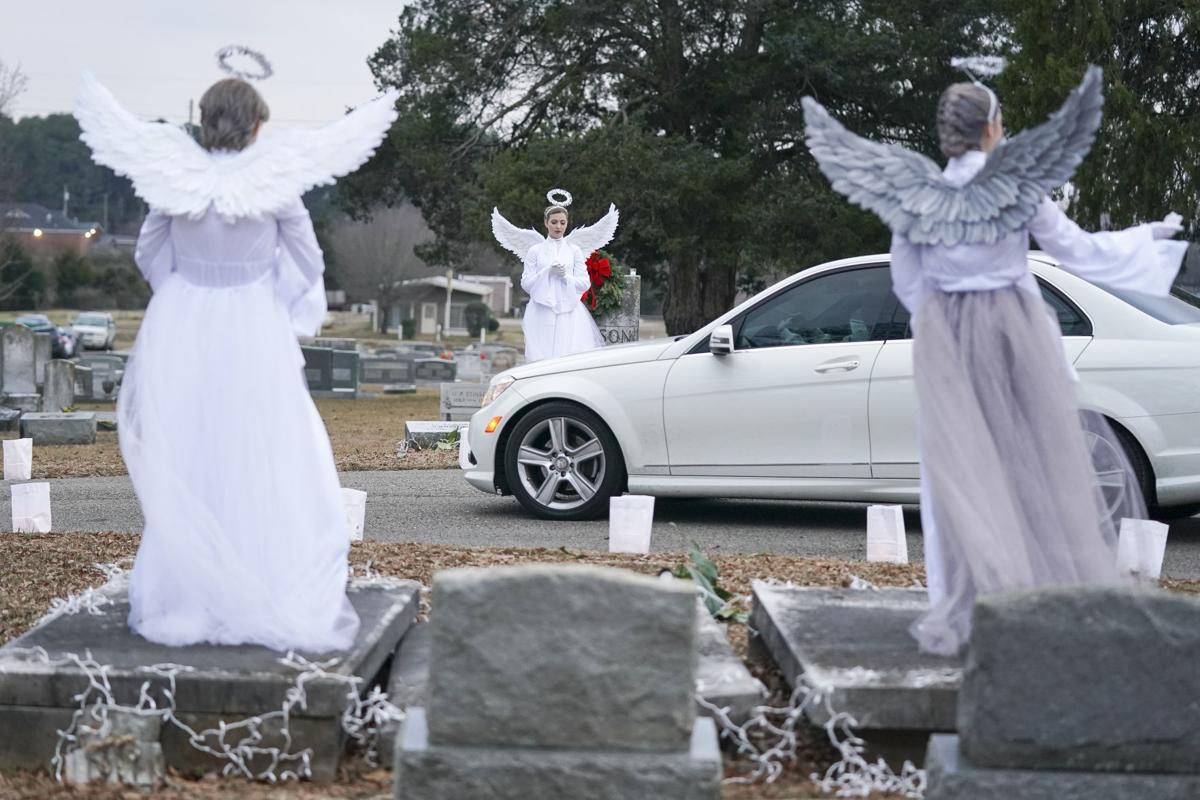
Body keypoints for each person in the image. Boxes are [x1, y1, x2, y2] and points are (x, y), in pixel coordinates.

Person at [803, 66, 1187, 655]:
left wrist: (945, 313)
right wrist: (1147, 245)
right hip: (1016, 331)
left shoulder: (918, 197)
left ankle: (966, 600)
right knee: (1034, 460)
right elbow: (1079, 251)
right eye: (1001, 122)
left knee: (955, 471)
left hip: (948, 340)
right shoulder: (1015, 186)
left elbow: (906, 277)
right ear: (989, 130)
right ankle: (1041, 594)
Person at [74, 73, 398, 651]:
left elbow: (150, 252)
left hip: (184, 322)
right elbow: (308, 259)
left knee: (192, 446)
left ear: (206, 120)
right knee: (267, 446)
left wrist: (182, 292)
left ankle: (189, 590)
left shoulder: (173, 180)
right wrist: (287, 308)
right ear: (254, 125)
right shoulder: (274, 185)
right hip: (253, 324)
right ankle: (264, 580)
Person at [492, 190, 618, 361]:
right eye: (554, 222)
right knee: (542, 356)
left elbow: (584, 283)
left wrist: (566, 276)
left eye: (562, 222)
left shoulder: (574, 250)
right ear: (546, 223)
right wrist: (547, 272)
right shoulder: (535, 250)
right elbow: (526, 284)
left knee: (568, 355)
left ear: (567, 223)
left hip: (569, 311)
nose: (558, 226)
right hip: (542, 309)